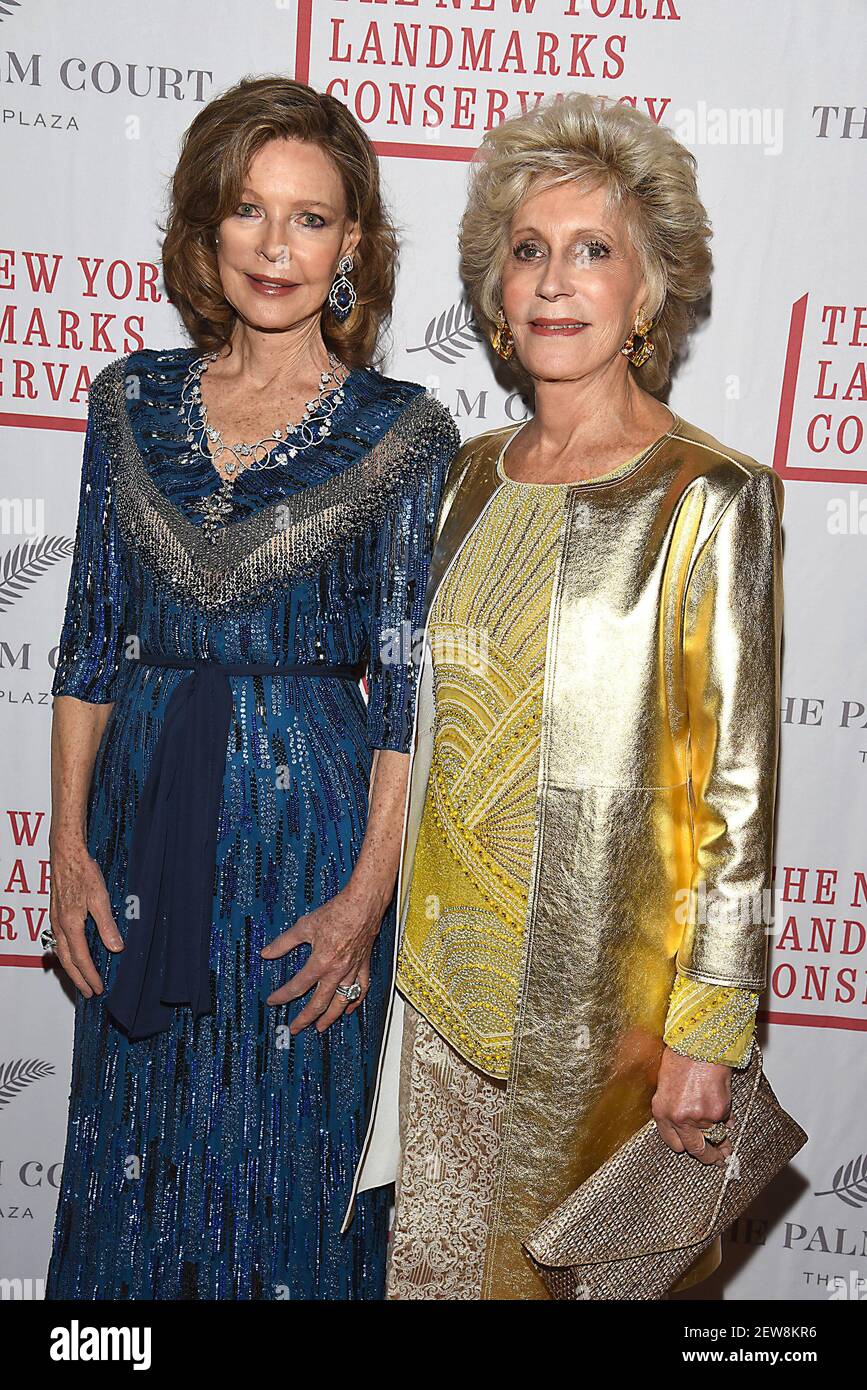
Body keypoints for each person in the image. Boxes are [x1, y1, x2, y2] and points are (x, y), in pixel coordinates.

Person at [341, 92, 784, 1300]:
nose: (554, 280)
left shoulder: (709, 494)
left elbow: (736, 787)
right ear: (494, 289)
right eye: (528, 251)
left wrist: (711, 1027)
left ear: (647, 292)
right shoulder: (465, 477)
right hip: (431, 994)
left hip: (600, 1013)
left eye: (593, 251)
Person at [44, 75, 460, 1300]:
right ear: (203, 229)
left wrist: (366, 899)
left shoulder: (406, 429)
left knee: (294, 1158)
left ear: (354, 247)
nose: (276, 246)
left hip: (312, 848)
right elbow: (86, 644)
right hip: (139, 830)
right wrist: (67, 846)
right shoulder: (127, 403)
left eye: (312, 218)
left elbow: (404, 690)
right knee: (135, 1148)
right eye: (247, 211)